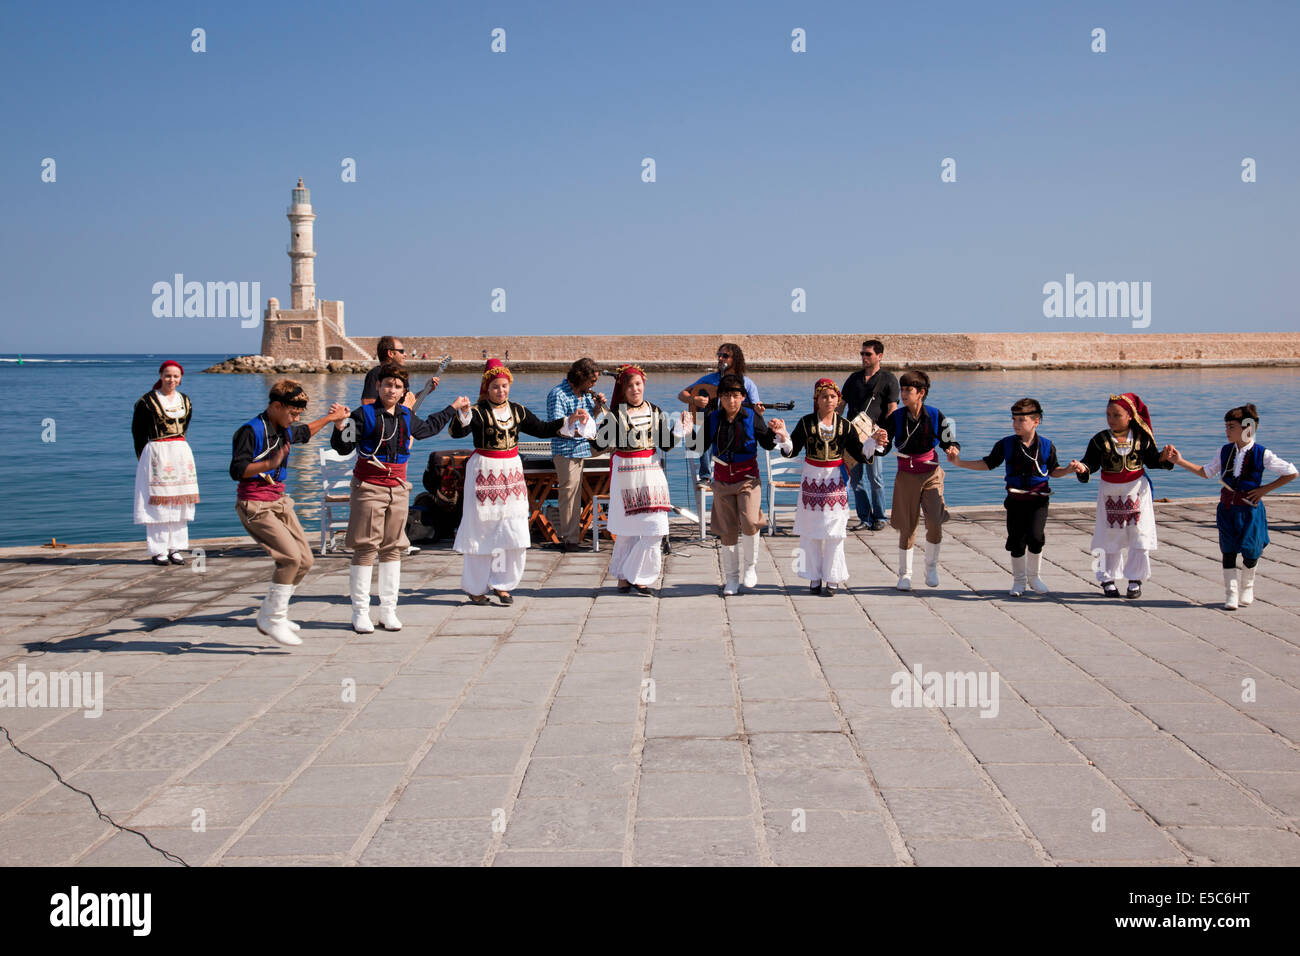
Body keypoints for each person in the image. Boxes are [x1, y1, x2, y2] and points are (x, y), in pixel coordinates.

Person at [332, 364, 470, 633]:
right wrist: (340, 427)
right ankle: (360, 612)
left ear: (404, 390)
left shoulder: (406, 416)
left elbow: (428, 428)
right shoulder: (363, 415)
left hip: (397, 488)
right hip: (369, 487)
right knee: (365, 547)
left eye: (396, 386)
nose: (391, 390)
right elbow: (344, 446)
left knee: (393, 547)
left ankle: (388, 610)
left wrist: (452, 408)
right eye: (386, 385)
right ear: (378, 387)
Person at [450, 359, 589, 605]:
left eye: (504, 386)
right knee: (482, 529)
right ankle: (476, 587)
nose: (500, 391)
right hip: (485, 471)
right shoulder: (477, 411)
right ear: (487, 388)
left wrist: (570, 419)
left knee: (510, 528)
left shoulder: (518, 411)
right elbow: (457, 432)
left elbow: (543, 429)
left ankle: (502, 585)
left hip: (511, 472)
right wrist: (461, 414)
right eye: (495, 387)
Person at [230, 380, 348, 646]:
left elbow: (305, 432)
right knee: (290, 559)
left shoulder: (283, 429)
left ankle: (272, 613)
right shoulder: (250, 430)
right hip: (255, 504)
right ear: (275, 406)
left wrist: (331, 418)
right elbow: (237, 470)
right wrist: (269, 463)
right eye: (292, 413)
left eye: (298, 415)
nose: (295, 419)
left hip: (279, 501)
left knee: (305, 560)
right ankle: (272, 617)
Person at [1165, 404, 1296, 610]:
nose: (1227, 432)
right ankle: (1231, 593)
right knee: (1228, 550)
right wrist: (1180, 461)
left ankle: (1247, 586)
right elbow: (1207, 472)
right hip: (1227, 508)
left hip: (1249, 509)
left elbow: (1291, 472)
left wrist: (1264, 490)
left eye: (1231, 427)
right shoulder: (1224, 451)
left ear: (1248, 428)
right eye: (1226, 427)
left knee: (1252, 550)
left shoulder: (1262, 453)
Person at [945, 398, 1077, 596]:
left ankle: (1035, 577)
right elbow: (988, 463)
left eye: (1021, 420)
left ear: (1036, 421)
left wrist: (1067, 470)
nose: (1016, 424)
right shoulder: (1006, 444)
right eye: (1014, 419)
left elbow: (1053, 471)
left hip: (1039, 500)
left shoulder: (1047, 445)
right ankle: (1019, 581)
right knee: (1016, 539)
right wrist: (959, 462)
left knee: (1036, 536)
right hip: (1015, 500)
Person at [772, 379, 871, 596]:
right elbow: (793, 449)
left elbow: (859, 453)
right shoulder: (806, 423)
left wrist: (874, 443)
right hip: (812, 479)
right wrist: (783, 436)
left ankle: (833, 578)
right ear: (816, 400)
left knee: (835, 531)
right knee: (810, 531)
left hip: (835, 480)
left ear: (838, 400)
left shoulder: (845, 426)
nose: (828, 400)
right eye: (823, 396)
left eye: (832, 396)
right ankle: (813, 577)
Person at [688, 374, 783, 595]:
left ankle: (750, 567)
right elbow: (698, 446)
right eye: (727, 396)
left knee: (750, 521)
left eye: (736, 396)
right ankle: (731, 579)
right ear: (720, 397)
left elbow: (767, 443)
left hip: (747, 479)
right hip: (722, 480)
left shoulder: (751, 416)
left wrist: (776, 432)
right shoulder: (713, 418)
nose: (732, 401)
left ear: (743, 397)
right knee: (727, 529)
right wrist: (688, 429)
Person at [1073, 393, 1175, 600]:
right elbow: (1090, 463)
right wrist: (1082, 468)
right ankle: (1106, 579)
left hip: (1137, 492)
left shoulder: (1142, 439)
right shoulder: (1099, 440)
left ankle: (1135, 579)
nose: (1111, 419)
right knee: (1106, 535)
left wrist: (1164, 457)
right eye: (1108, 414)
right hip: (1109, 492)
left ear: (1130, 416)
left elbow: (1153, 461)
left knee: (1139, 534)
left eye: (1116, 415)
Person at [591, 365, 681, 594]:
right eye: (630, 385)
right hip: (625, 474)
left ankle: (639, 576)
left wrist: (681, 429)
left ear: (644, 385)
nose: (634, 389)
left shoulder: (655, 411)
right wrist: (586, 426)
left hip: (651, 472)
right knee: (625, 530)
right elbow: (597, 447)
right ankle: (623, 576)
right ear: (623, 388)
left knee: (657, 527)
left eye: (638, 384)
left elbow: (667, 445)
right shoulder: (615, 415)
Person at [873, 369, 960, 590]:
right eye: (901, 389)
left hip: (931, 473)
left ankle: (931, 567)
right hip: (906, 476)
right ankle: (905, 574)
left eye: (908, 390)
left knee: (934, 521)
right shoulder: (896, 417)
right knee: (907, 525)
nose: (903, 394)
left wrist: (952, 448)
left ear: (921, 392)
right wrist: (880, 442)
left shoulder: (936, 414)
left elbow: (951, 441)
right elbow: (884, 448)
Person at [132, 360, 200, 566]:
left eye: (176, 376)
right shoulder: (146, 401)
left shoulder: (185, 400)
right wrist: (144, 458)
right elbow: (138, 433)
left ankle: (176, 547)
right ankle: (158, 549)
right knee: (158, 503)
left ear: (181, 379)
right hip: (157, 452)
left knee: (180, 502)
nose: (172, 380)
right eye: (168, 375)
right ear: (160, 376)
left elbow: (185, 426)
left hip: (180, 453)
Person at [678, 343, 764, 481]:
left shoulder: (746, 383)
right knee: (706, 427)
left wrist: (759, 412)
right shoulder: (709, 379)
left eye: (725, 356)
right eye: (719, 355)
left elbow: (755, 410)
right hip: (715, 423)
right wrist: (695, 400)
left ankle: (739, 473)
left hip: (735, 426)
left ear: (735, 359)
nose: (720, 359)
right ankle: (705, 477)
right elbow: (681, 395)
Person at [546, 358, 607, 553]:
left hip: (585, 447)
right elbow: (557, 426)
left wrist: (597, 408)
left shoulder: (585, 394)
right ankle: (570, 539)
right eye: (592, 381)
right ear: (581, 377)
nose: (594, 385)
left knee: (618, 440)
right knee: (570, 493)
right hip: (566, 450)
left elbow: (591, 422)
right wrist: (573, 420)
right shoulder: (558, 395)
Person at [840, 339, 898, 531]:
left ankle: (880, 517)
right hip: (852, 436)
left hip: (874, 437)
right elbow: (841, 405)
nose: (864, 357)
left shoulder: (888, 379)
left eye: (868, 354)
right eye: (862, 354)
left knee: (876, 478)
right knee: (856, 480)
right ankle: (865, 518)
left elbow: (892, 409)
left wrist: (885, 432)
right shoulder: (853, 378)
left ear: (879, 356)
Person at [361, 335, 438, 410]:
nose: (405, 354)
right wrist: (396, 413)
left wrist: (426, 390)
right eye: (401, 351)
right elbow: (367, 403)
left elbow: (408, 402)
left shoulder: (400, 374)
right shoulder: (376, 373)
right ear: (390, 353)